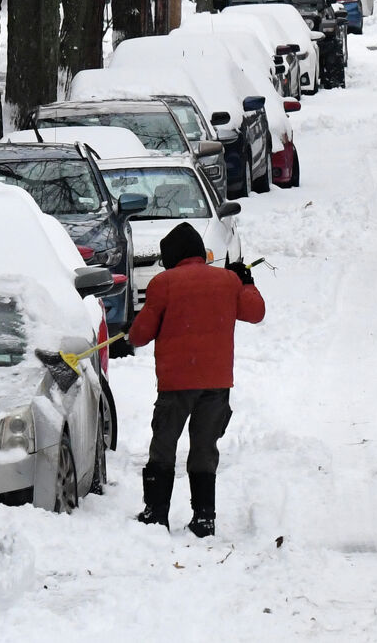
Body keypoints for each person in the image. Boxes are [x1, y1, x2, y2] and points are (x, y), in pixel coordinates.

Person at [129, 222, 265, 537]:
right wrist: (246, 283)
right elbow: (255, 312)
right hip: (216, 383)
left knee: (164, 447)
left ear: (172, 256)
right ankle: (204, 518)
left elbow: (138, 336)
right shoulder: (228, 280)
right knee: (204, 448)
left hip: (176, 384)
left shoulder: (163, 283)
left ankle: (156, 514)